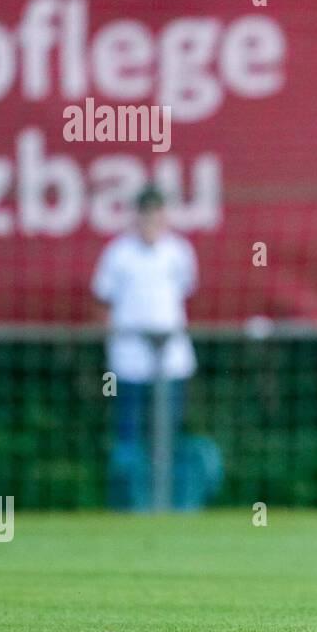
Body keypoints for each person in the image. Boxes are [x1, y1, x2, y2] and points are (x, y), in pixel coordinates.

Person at [91, 186, 199, 511]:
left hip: (172, 361)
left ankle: (171, 506)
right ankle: (130, 507)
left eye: (157, 213)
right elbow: (102, 302)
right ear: (135, 216)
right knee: (129, 435)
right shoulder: (117, 253)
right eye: (145, 213)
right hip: (129, 363)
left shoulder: (179, 252)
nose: (151, 220)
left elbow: (186, 292)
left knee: (167, 436)